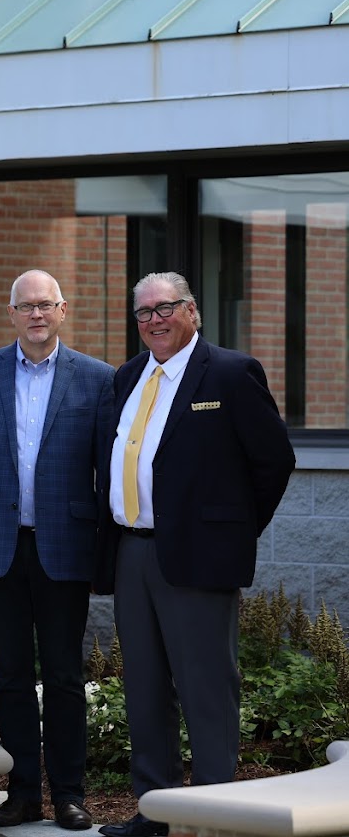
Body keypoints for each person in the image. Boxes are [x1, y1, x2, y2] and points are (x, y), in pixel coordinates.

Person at [95, 272, 294, 837]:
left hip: (199, 559)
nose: (154, 320)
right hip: (132, 552)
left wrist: (229, 530)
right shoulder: (128, 376)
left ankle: (212, 816)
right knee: (144, 688)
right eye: (143, 312)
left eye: (165, 308)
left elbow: (274, 461)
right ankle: (156, 812)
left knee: (206, 689)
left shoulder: (230, 373)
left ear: (191, 311)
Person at [0, 270, 113, 831]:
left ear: (62, 311)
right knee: (11, 677)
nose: (36, 314)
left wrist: (105, 552)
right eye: (26, 306)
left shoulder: (97, 378)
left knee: (64, 676)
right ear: (11, 314)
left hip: (66, 545)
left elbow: (107, 472)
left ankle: (68, 795)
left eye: (45, 305)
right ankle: (21, 796)